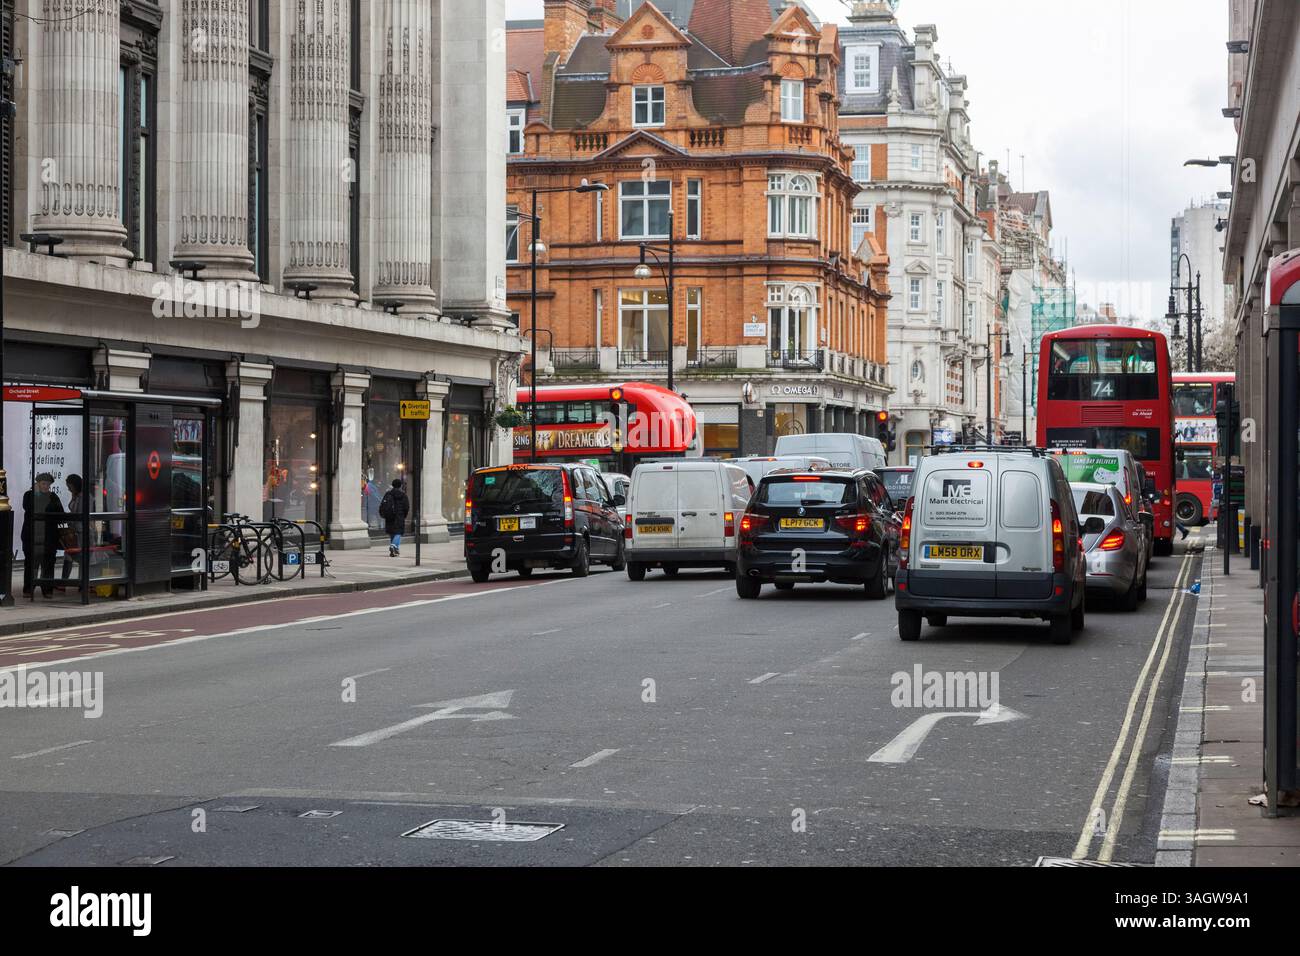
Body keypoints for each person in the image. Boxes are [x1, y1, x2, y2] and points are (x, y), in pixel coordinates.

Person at [21, 473, 65, 598]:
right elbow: (28, 507)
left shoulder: (53, 497)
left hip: (49, 536)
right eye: (43, 484)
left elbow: (60, 513)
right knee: (31, 563)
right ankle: (29, 588)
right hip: (31, 535)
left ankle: (47, 589)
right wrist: (36, 494)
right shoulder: (29, 495)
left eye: (48, 484)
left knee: (48, 563)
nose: (46, 486)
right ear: (37, 484)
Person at [60, 474, 84, 584]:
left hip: (79, 531)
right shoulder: (76, 496)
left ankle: (69, 582)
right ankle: (65, 582)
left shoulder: (82, 498)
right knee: (69, 555)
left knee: (75, 555)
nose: (68, 488)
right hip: (73, 530)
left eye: (69, 486)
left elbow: (78, 515)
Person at [379, 478, 410, 557]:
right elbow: (406, 507)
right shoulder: (403, 495)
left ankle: (395, 550)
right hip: (399, 516)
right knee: (398, 532)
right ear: (400, 485)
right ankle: (393, 545)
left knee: (392, 533)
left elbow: (383, 505)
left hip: (389, 516)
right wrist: (404, 515)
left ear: (393, 485)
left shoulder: (388, 494)